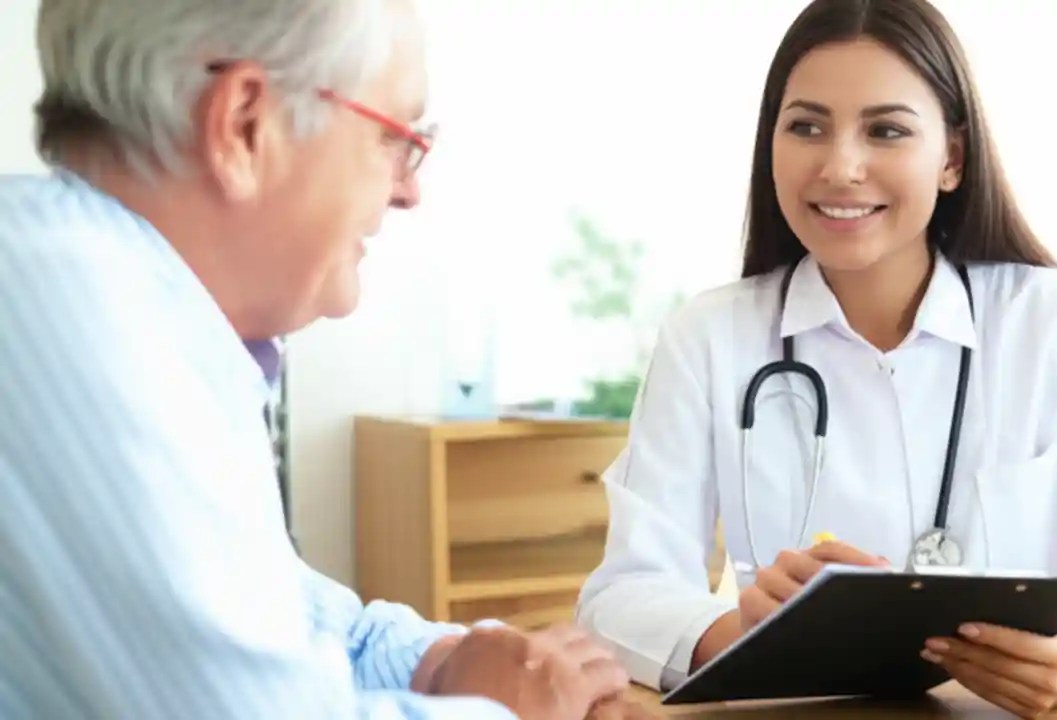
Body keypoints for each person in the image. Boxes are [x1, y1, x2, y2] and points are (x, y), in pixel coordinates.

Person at [575, 0, 1057, 716]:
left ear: (952, 159)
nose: (840, 166)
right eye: (806, 126)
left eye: (886, 130)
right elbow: (622, 595)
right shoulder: (708, 338)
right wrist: (746, 635)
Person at [0, 1, 642, 719]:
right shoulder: (71, 306)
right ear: (245, 125)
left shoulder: (127, 305)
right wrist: (514, 707)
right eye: (394, 138)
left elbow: (297, 620)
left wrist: (444, 662)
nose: (408, 189)